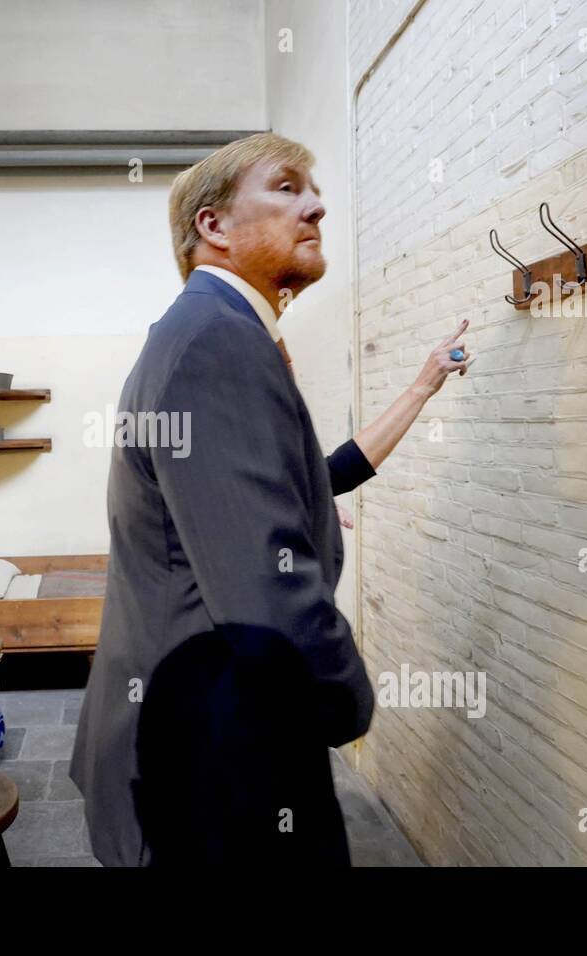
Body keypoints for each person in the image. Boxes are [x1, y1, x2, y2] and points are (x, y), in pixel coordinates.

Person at [69, 132, 473, 866]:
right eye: (286, 187)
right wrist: (347, 696)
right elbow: (265, 583)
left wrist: (419, 387)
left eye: (311, 189)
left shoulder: (202, 333)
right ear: (213, 227)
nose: (316, 204)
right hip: (214, 762)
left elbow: (307, 480)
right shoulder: (216, 345)